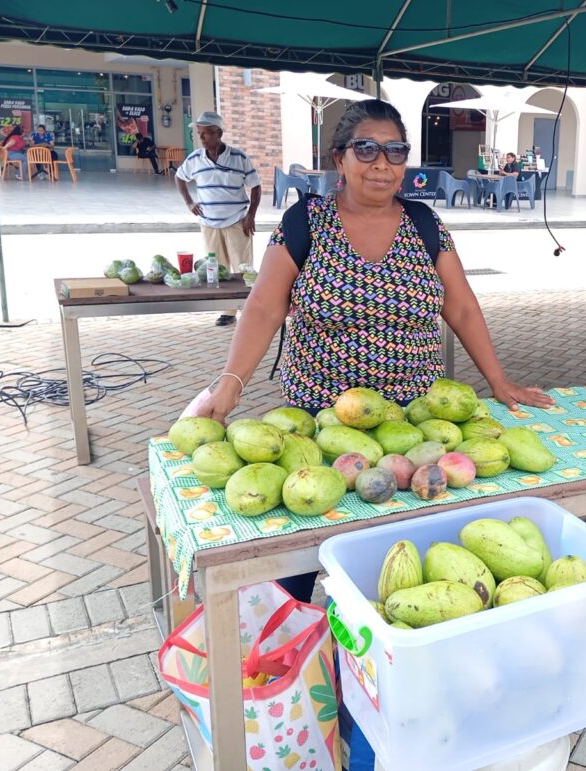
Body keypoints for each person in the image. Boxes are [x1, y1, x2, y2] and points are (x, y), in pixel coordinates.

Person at [193, 99, 552, 596]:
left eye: (395, 151)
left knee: (403, 546)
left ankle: (379, 639)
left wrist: (499, 381)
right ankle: (286, 631)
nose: (382, 163)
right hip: (320, 420)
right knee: (306, 532)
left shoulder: (426, 224)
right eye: (366, 149)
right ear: (339, 158)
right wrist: (231, 385)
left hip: (414, 420)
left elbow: (462, 308)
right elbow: (263, 308)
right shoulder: (305, 221)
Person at [175, 112, 261, 326]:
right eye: (199, 134)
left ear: (219, 133)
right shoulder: (195, 158)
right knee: (217, 269)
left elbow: (256, 185)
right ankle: (228, 312)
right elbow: (179, 177)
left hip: (236, 221)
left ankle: (247, 309)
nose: (202, 138)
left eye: (206, 134)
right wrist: (189, 202)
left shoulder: (239, 158)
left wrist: (251, 215)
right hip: (209, 223)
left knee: (243, 268)